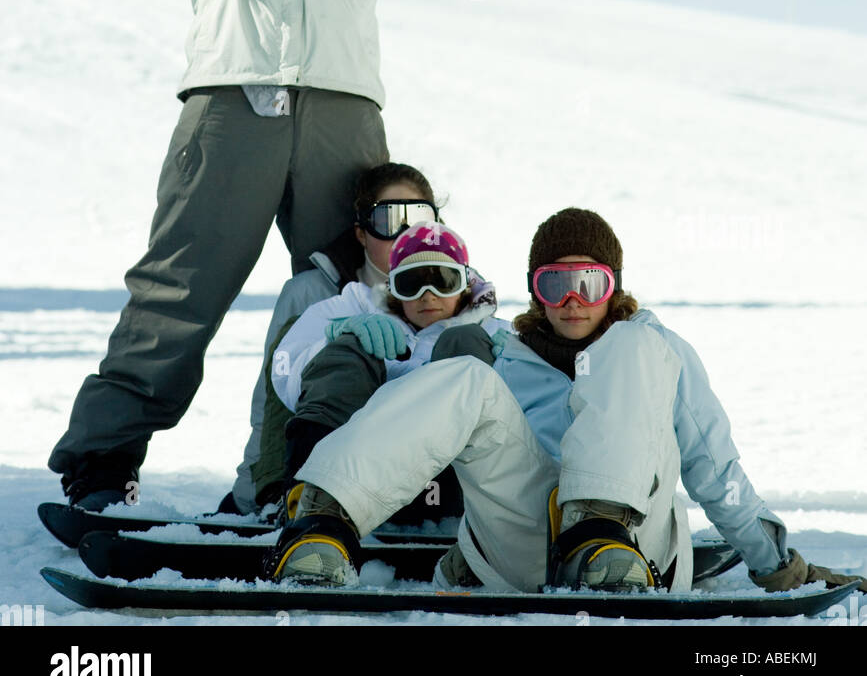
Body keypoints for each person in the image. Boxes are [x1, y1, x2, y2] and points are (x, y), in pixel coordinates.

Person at [48, 0, 408, 511]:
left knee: (353, 290)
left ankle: (315, 472)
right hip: (228, 88)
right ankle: (100, 464)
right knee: (181, 282)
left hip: (341, 97)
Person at [264, 208, 867, 595]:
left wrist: (779, 566)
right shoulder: (505, 350)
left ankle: (601, 538)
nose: (573, 300)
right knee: (462, 375)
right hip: (522, 546)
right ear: (535, 289)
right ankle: (320, 525)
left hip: (636, 549)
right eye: (555, 283)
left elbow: (716, 470)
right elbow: (424, 428)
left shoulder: (652, 352)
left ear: (614, 287)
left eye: (590, 283)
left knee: (634, 344)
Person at [223, 162, 441, 514]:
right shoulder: (311, 293)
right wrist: (258, 486)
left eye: (417, 220)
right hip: (316, 456)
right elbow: (274, 393)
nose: (404, 235)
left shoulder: (452, 292)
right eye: (389, 222)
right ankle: (292, 500)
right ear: (362, 233)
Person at [270, 219, 509, 526]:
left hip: (456, 479)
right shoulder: (355, 307)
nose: (427, 295)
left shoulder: (496, 334)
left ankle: (475, 515)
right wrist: (335, 337)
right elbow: (284, 371)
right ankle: (310, 493)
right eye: (412, 283)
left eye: (443, 280)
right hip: (359, 467)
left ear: (465, 284)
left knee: (465, 347)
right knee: (350, 349)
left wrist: (517, 364)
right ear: (393, 287)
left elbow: (546, 409)